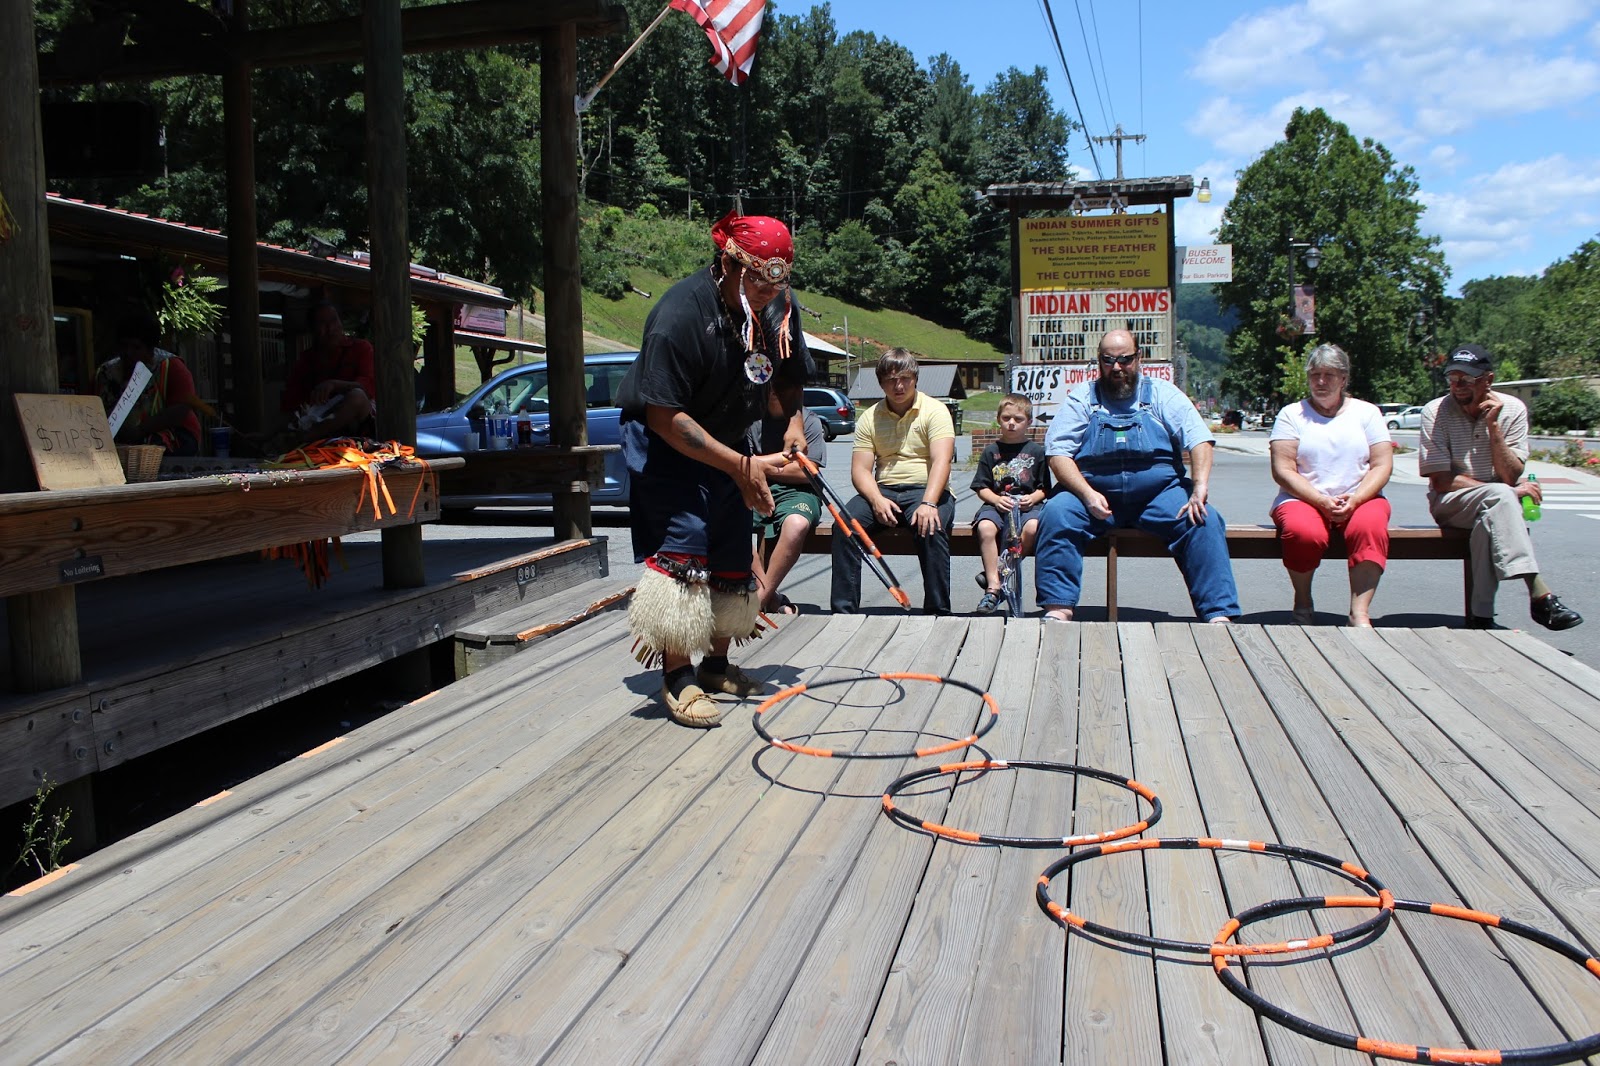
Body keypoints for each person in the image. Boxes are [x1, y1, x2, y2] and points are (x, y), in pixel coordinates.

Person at [617, 210, 810, 728]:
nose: (768, 292)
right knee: (686, 549)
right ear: (728, 264)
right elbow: (664, 416)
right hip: (667, 440)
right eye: (757, 280)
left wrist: (793, 423)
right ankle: (677, 677)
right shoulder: (679, 314)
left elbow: (788, 374)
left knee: (731, 548)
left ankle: (716, 666)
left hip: (730, 437)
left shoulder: (778, 305)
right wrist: (743, 466)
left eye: (777, 281)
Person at [1034, 328, 1240, 623]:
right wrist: (1087, 494)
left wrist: (1199, 487)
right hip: (1093, 495)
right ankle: (1058, 607)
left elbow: (1199, 439)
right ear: (1099, 361)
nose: (1117, 367)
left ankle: (1218, 613)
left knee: (1202, 520)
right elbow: (1058, 454)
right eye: (1108, 360)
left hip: (1159, 496)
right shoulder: (1082, 399)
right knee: (1056, 513)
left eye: (1125, 359)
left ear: (1138, 358)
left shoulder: (1162, 394)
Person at [1417, 343, 1582, 630]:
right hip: (1450, 503)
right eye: (1452, 378)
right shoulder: (1435, 411)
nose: (1457, 386)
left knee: (1489, 519)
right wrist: (1509, 491)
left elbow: (1510, 475)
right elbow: (1441, 480)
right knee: (1501, 497)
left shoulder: (1513, 410)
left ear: (1488, 380)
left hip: (1497, 505)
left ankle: (1481, 618)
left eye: (1466, 379)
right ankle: (1538, 593)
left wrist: (1493, 427)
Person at [1268, 344, 1393, 627]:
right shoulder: (1291, 414)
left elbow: (1382, 465)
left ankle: (1359, 612)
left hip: (1361, 497)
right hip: (1302, 498)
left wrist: (1357, 499)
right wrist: (1320, 500)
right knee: (1303, 532)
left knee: (1370, 527)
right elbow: (1282, 470)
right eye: (1315, 375)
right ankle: (1303, 603)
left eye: (1329, 375)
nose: (1321, 381)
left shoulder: (1367, 413)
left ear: (1344, 379)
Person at [829, 349, 956, 614]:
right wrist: (876, 500)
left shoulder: (936, 411)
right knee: (844, 526)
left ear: (915, 378)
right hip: (884, 489)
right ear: (881, 382)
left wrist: (929, 503)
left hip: (926, 490)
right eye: (890, 380)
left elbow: (942, 461)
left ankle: (938, 612)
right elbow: (860, 470)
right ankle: (843, 613)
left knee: (931, 527)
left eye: (905, 378)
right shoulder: (870, 417)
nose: (898, 386)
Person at [746, 379, 827, 615]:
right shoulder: (751, 420)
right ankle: (769, 596)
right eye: (769, 385)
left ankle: (758, 602)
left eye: (781, 384)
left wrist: (761, 464)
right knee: (728, 522)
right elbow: (742, 465)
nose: (775, 390)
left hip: (800, 491)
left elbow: (807, 471)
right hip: (756, 487)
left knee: (796, 524)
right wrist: (783, 460)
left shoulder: (810, 421)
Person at [970, 393, 1051, 614]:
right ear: (998, 419)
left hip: (1027, 506)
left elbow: (1045, 488)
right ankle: (993, 588)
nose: (1011, 423)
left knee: (1033, 527)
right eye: (1006, 418)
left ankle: (1000, 572)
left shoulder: (1037, 452)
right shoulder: (991, 451)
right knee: (986, 528)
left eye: (1018, 419)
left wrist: (1033, 498)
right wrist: (996, 499)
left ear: (1029, 422)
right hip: (997, 504)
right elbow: (981, 487)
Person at [95, 309, 203, 456]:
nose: (128, 353)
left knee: (152, 445)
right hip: (119, 437)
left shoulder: (170, 366)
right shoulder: (106, 373)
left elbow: (181, 408)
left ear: (150, 349)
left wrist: (141, 430)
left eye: (136, 347)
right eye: (124, 346)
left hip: (173, 434)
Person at [279, 302, 377, 442]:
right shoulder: (307, 359)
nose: (330, 328)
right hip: (319, 420)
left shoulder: (361, 348)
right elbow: (290, 402)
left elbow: (369, 387)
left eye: (334, 321)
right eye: (322, 323)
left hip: (359, 425)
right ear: (313, 330)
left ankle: (306, 438)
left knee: (357, 395)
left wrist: (334, 384)